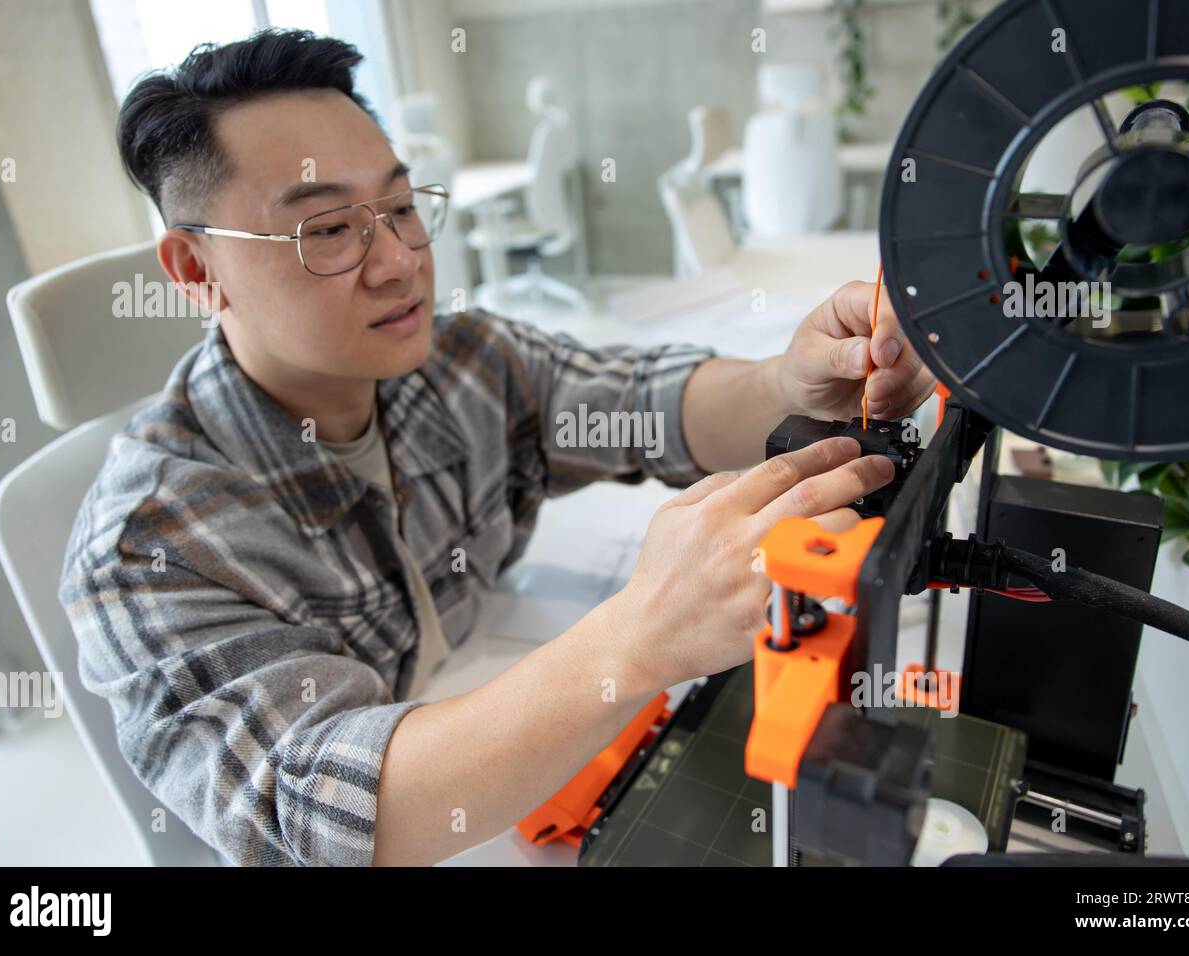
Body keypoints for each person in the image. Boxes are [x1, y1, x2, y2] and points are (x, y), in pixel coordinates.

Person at [59, 29, 935, 866]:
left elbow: (643, 402)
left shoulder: (459, 360)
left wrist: (789, 383)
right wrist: (636, 640)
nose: (399, 261)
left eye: (402, 207)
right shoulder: (149, 549)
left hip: (503, 718)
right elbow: (319, 817)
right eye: (328, 229)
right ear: (195, 271)